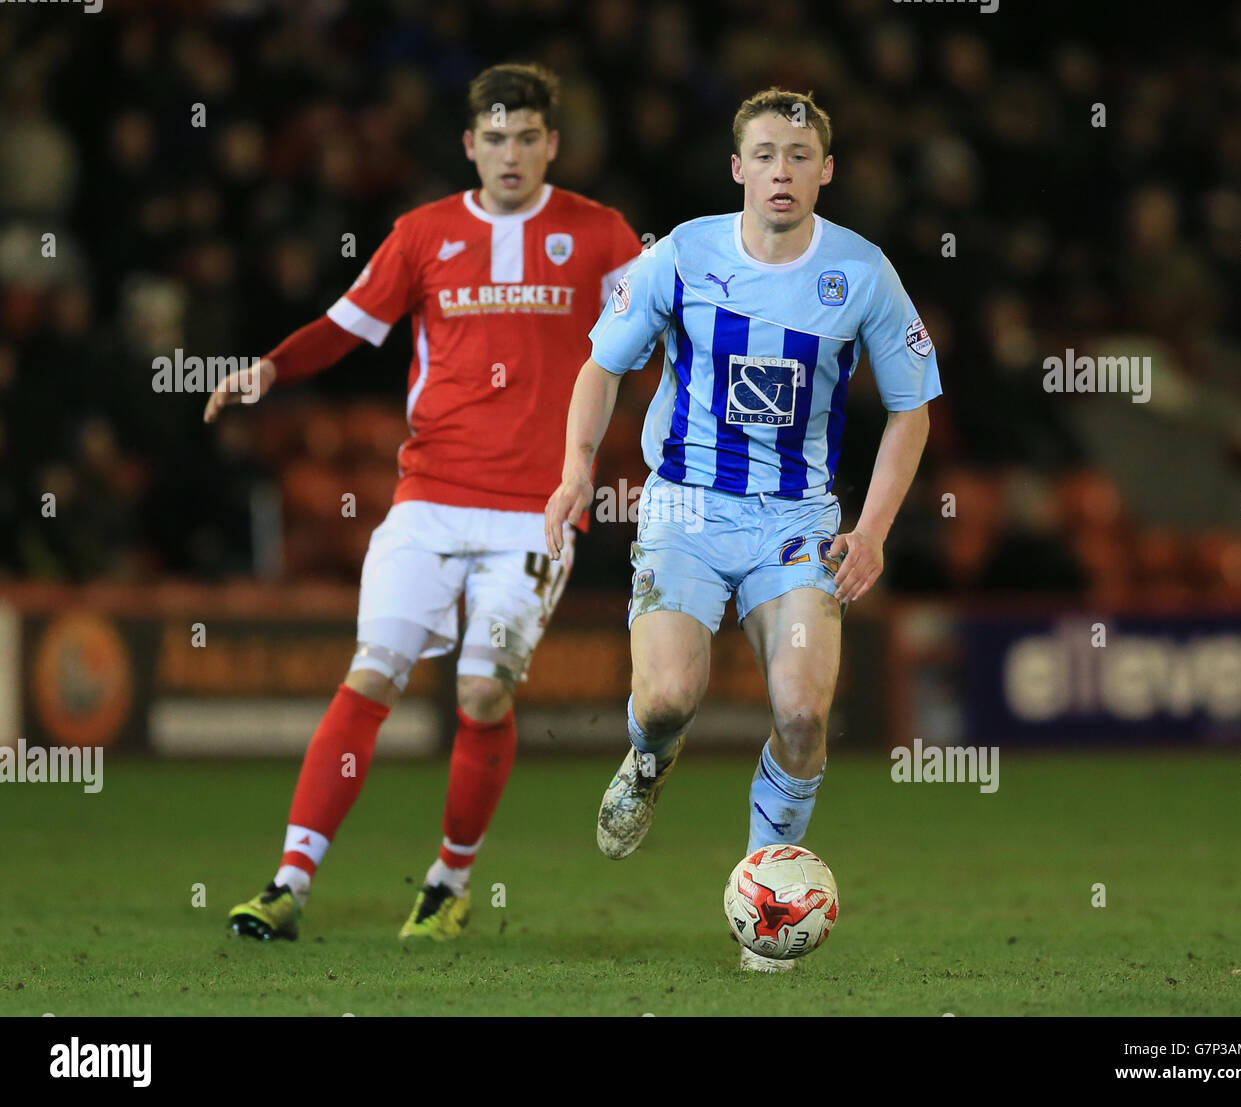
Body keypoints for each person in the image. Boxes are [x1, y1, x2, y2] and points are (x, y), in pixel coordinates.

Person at [206, 63, 642, 941]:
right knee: (371, 675)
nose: (509, 153)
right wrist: (272, 368)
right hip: (429, 499)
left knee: (483, 693)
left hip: (536, 510)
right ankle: (289, 882)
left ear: (551, 144)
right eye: (494, 137)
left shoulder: (601, 236)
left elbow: (666, 327)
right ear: (469, 145)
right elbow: (347, 327)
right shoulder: (424, 233)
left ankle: (448, 882)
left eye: (526, 137)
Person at [545, 88, 940, 972]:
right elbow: (601, 366)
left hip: (797, 522)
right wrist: (577, 469)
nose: (782, 172)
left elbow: (913, 409)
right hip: (686, 509)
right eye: (765, 155)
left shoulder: (863, 272)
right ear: (738, 169)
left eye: (800, 156)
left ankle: (768, 894)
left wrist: (871, 530)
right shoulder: (680, 255)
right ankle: (648, 760)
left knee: (802, 710)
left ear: (826, 171)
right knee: (667, 699)